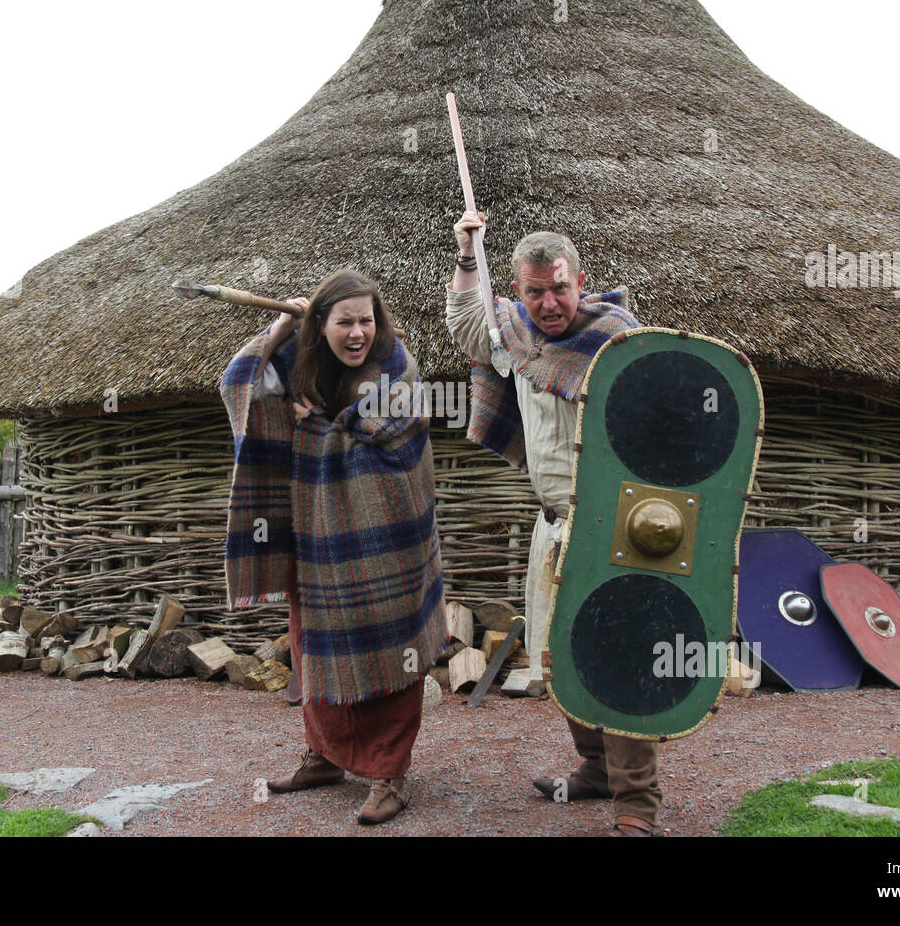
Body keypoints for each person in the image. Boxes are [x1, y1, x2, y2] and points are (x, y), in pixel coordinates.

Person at [444, 211, 663, 837]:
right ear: (517, 291)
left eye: (559, 288)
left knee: (618, 664)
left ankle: (636, 807)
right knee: (562, 660)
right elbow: (466, 326)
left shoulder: (618, 340)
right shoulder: (517, 337)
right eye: (534, 291)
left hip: (616, 527)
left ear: (581, 282)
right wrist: (467, 252)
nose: (548, 302)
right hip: (553, 528)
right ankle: (596, 772)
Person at [220, 269, 449, 825]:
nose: (357, 333)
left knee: (393, 653)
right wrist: (278, 326)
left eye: (365, 320)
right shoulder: (305, 367)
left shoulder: (397, 370)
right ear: (321, 325)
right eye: (343, 321)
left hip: (388, 544)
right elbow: (239, 384)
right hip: (320, 543)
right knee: (314, 650)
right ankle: (324, 756)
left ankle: (389, 774)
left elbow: (392, 450)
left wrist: (318, 429)